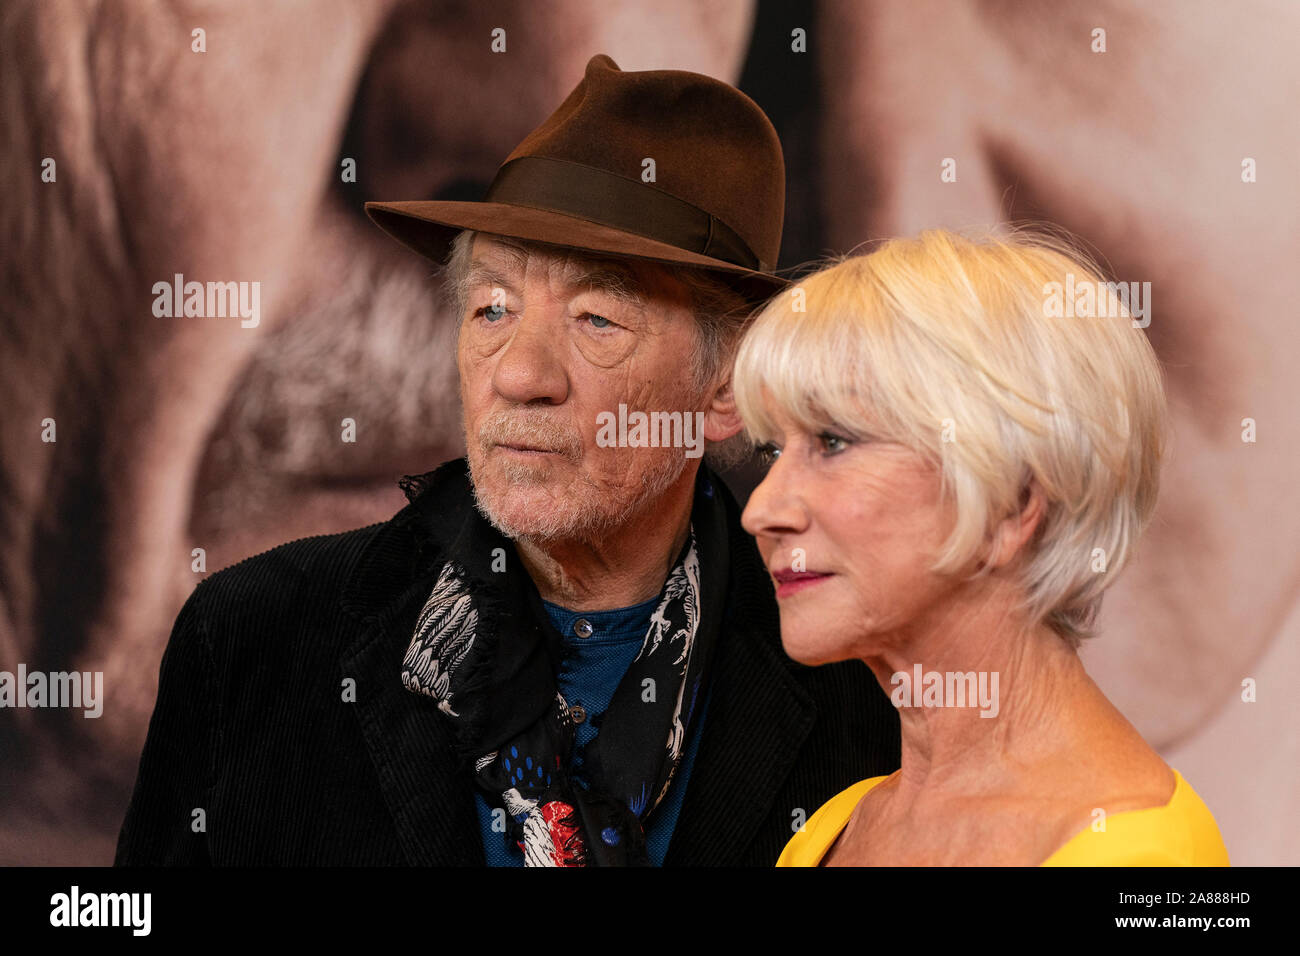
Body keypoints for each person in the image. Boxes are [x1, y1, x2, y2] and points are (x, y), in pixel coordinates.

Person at [113, 53, 899, 866]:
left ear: (725, 386)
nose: (519, 375)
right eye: (492, 308)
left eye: (598, 320)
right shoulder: (251, 639)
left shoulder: (864, 693)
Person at [733, 228, 1230, 865]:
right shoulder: (834, 826)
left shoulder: (1145, 857)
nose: (761, 511)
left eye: (833, 442)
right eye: (773, 451)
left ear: (1015, 502)